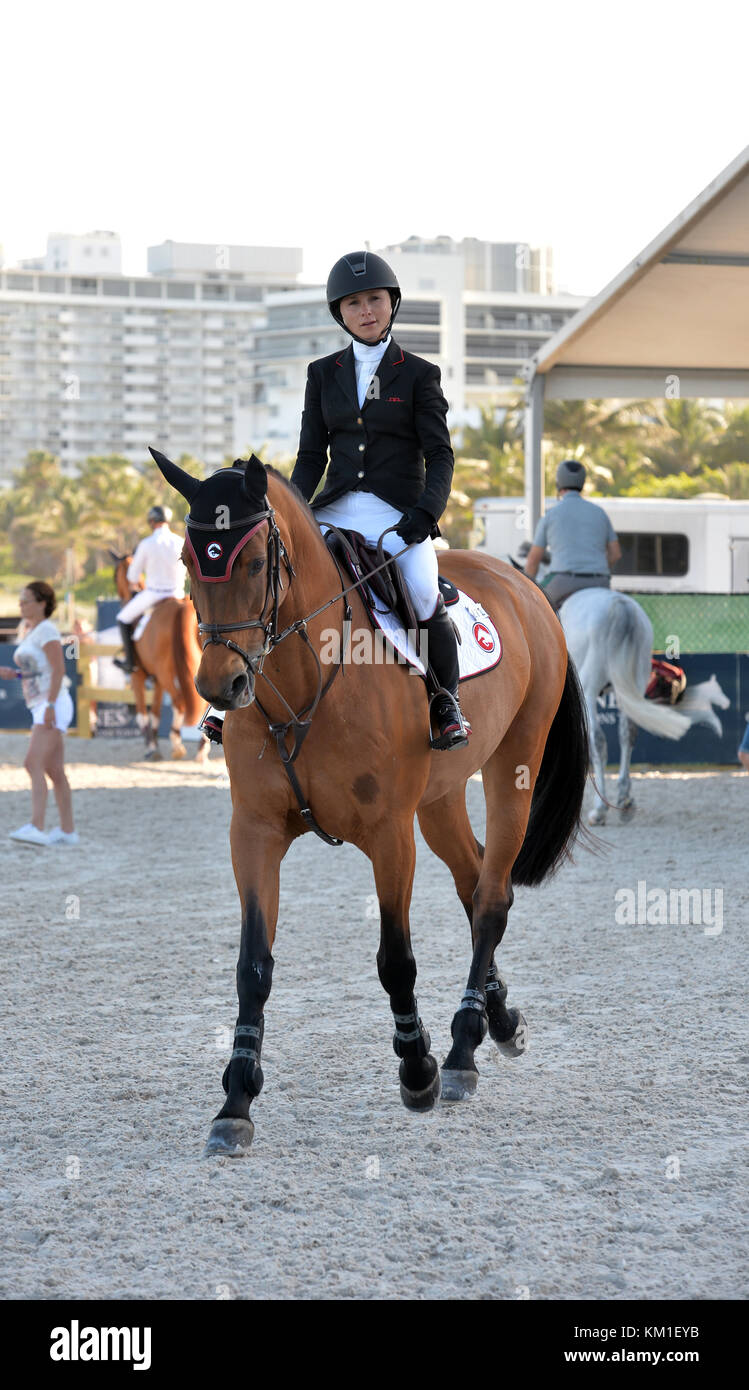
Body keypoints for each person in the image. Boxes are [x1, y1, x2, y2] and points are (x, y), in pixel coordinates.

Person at [291, 249, 468, 749]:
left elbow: (440, 455)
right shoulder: (321, 373)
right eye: (353, 304)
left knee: (423, 592)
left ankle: (446, 702)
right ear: (339, 313)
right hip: (335, 508)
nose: (365, 310)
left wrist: (425, 515)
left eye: (374, 299)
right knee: (279, 581)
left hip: (399, 516)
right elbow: (310, 457)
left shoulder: (418, 373)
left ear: (391, 303)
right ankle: (227, 702)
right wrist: (289, 513)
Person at [0, 581, 77, 846]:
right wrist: (16, 674)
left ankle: (37, 825)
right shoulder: (30, 630)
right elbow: (41, 669)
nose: (21, 605)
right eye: (20, 600)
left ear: (42, 603)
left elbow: (58, 670)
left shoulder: (47, 630)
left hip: (51, 702)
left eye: (26, 600)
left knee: (31, 763)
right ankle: (68, 831)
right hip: (42, 702)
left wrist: (52, 706)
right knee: (54, 769)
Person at [524, 459, 622, 610]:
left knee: (536, 611)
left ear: (559, 483)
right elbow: (615, 554)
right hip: (599, 581)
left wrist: (525, 589)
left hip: (563, 582)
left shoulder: (550, 515)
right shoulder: (600, 513)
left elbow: (532, 562)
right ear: (582, 483)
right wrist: (596, 569)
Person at [114, 505, 186, 673]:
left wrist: (133, 583)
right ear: (168, 521)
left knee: (122, 618)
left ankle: (130, 662)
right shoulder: (180, 541)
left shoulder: (146, 544)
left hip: (154, 594)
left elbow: (132, 576)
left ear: (151, 522)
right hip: (179, 594)